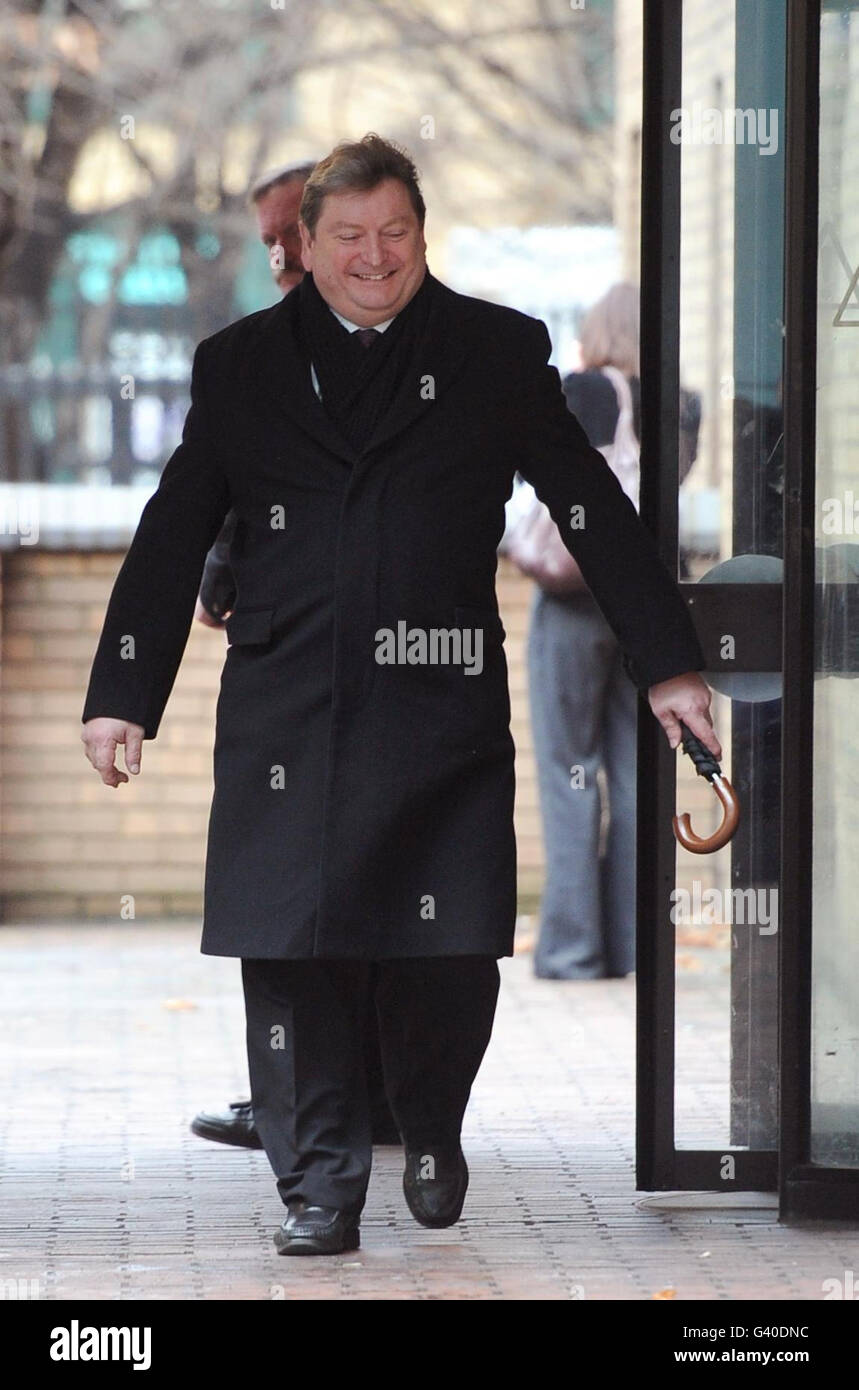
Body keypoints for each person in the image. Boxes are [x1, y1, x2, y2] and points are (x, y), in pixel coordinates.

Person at [81, 133, 719, 1256]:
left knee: (449, 948)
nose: (374, 257)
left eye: (396, 234)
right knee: (287, 948)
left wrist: (665, 661)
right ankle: (319, 1187)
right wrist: (122, 692)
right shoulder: (238, 364)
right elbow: (174, 528)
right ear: (308, 247)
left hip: (438, 702)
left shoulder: (495, 350)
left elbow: (587, 506)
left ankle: (429, 1120)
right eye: (349, 237)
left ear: (421, 234)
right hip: (285, 705)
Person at [187, 158, 400, 1151]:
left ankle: (357, 1098)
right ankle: (298, 1101)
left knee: (351, 890)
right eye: (267, 242)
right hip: (288, 656)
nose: (277, 255)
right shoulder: (267, 348)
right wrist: (223, 562)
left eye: (288, 237)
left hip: (377, 659)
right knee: (288, 893)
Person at [526, 283, 701, 979]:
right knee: (635, 776)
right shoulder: (682, 402)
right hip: (651, 605)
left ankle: (572, 950)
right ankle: (634, 945)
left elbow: (538, 479)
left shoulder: (578, 391)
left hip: (574, 597)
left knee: (568, 772)